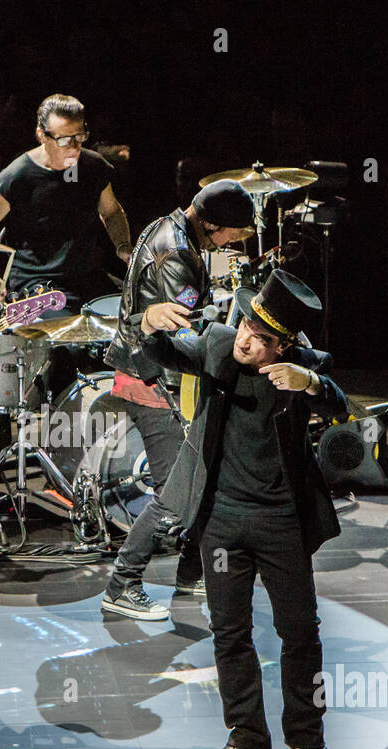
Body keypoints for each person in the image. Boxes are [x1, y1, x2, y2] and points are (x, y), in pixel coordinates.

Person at [135, 270, 348, 749]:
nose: (247, 339)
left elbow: (340, 406)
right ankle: (247, 736)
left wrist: (312, 383)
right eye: (248, 325)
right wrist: (147, 322)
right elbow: (159, 354)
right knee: (229, 632)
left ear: (284, 347)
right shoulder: (219, 344)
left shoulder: (300, 369)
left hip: (281, 523)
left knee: (300, 632)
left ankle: (309, 739)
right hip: (222, 520)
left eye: (262, 338)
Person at [99, 180, 255, 620]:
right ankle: (122, 583)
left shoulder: (168, 227)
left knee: (200, 479)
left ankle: (191, 572)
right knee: (175, 490)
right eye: (232, 234)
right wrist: (229, 350)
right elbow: (183, 336)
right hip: (153, 378)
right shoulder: (179, 256)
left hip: (149, 371)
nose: (234, 243)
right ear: (210, 223)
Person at [0, 94, 130, 314]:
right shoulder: (18, 176)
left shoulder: (92, 166)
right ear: (41, 135)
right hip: (37, 284)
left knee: (135, 316)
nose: (74, 147)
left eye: (80, 136)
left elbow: (111, 212)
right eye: (63, 140)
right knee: (67, 340)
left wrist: (124, 248)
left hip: (85, 280)